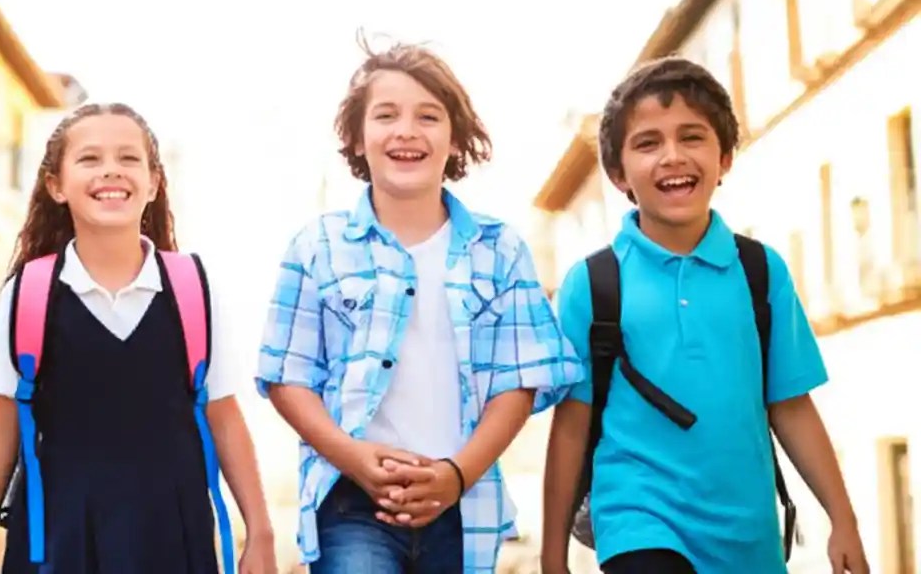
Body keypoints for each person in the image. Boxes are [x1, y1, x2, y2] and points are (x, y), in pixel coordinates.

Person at [256, 33, 584, 574]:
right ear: (358, 140)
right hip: (350, 498)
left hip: (461, 500)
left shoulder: (498, 250)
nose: (406, 131)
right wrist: (354, 458)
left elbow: (519, 382)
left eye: (428, 117)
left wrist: (457, 474)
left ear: (455, 140)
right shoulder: (316, 247)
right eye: (386, 115)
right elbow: (287, 376)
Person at [539, 56, 868, 574]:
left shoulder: (760, 272)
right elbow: (572, 425)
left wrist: (842, 519)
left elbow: (791, 406)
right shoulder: (593, 284)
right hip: (637, 522)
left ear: (725, 158)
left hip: (748, 533)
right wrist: (551, 554)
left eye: (692, 137)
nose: (672, 157)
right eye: (648, 143)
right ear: (619, 172)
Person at [0, 103, 277, 574]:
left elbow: (223, 415)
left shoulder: (193, 288)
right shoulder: (28, 294)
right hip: (56, 543)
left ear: (153, 182)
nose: (111, 171)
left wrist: (261, 532)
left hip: (172, 540)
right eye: (89, 159)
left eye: (128, 159)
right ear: (56, 185)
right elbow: (3, 427)